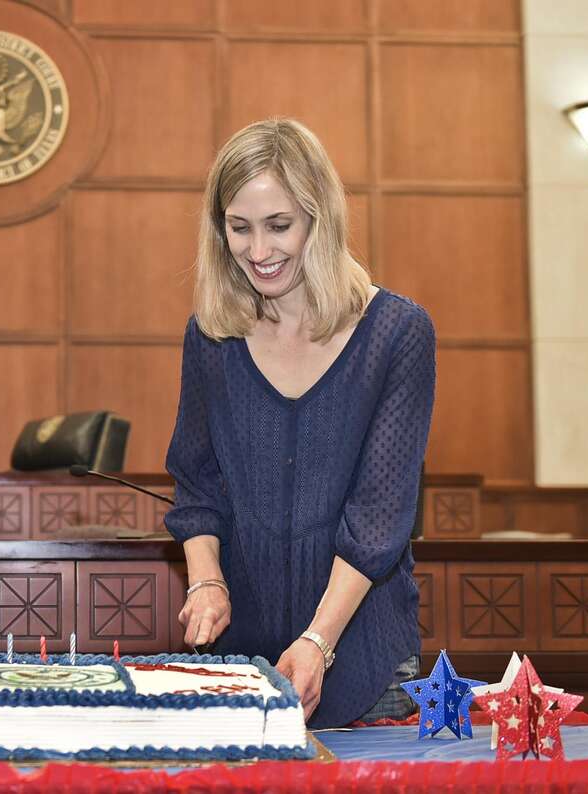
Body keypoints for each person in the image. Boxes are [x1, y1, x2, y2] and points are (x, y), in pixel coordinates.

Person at [164, 118, 433, 729]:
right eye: (239, 228)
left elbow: (378, 518)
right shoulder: (211, 334)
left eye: (279, 226)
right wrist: (207, 582)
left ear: (319, 218)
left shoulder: (395, 333)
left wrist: (319, 640)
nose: (259, 252)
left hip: (365, 664)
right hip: (240, 665)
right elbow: (197, 483)